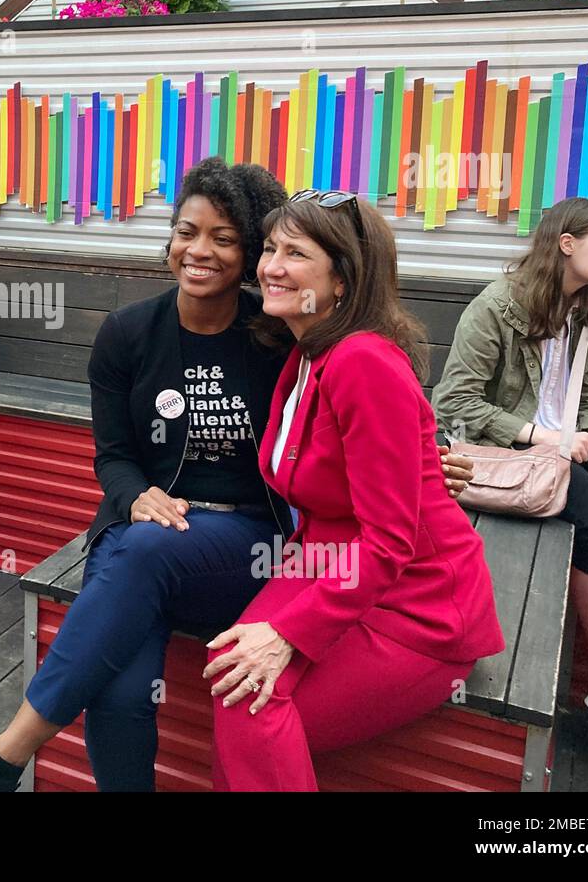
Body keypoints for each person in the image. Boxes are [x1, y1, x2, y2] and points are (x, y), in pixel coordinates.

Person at [0, 161, 476, 792]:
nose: (199, 251)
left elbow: (380, 414)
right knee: (122, 686)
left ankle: (5, 757)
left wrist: (427, 456)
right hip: (147, 529)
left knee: (170, 591)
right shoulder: (140, 333)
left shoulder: (279, 338)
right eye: (186, 231)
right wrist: (131, 495)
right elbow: (114, 454)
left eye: (227, 239)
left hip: (252, 546)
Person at [204, 190, 505, 792]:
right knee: (233, 676)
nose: (270, 267)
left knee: (249, 710)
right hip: (326, 564)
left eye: (295, 253)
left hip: (418, 605)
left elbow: (391, 540)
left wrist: (288, 633)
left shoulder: (363, 363)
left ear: (342, 279)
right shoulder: (307, 356)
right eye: (269, 249)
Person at [433, 197, 588, 773]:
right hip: (517, 454)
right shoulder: (496, 306)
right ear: (566, 244)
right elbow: (455, 402)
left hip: (575, 449)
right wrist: (541, 434)